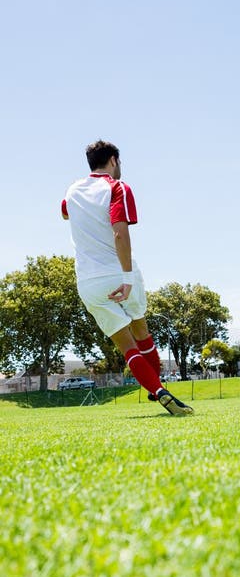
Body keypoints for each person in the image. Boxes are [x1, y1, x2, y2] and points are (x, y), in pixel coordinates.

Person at [62, 140, 193, 416]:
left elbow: (64, 212)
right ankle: (156, 386)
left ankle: (157, 391)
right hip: (118, 273)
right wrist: (127, 277)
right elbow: (120, 232)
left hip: (88, 283)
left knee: (126, 346)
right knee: (141, 331)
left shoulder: (72, 191)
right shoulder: (117, 187)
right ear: (113, 160)